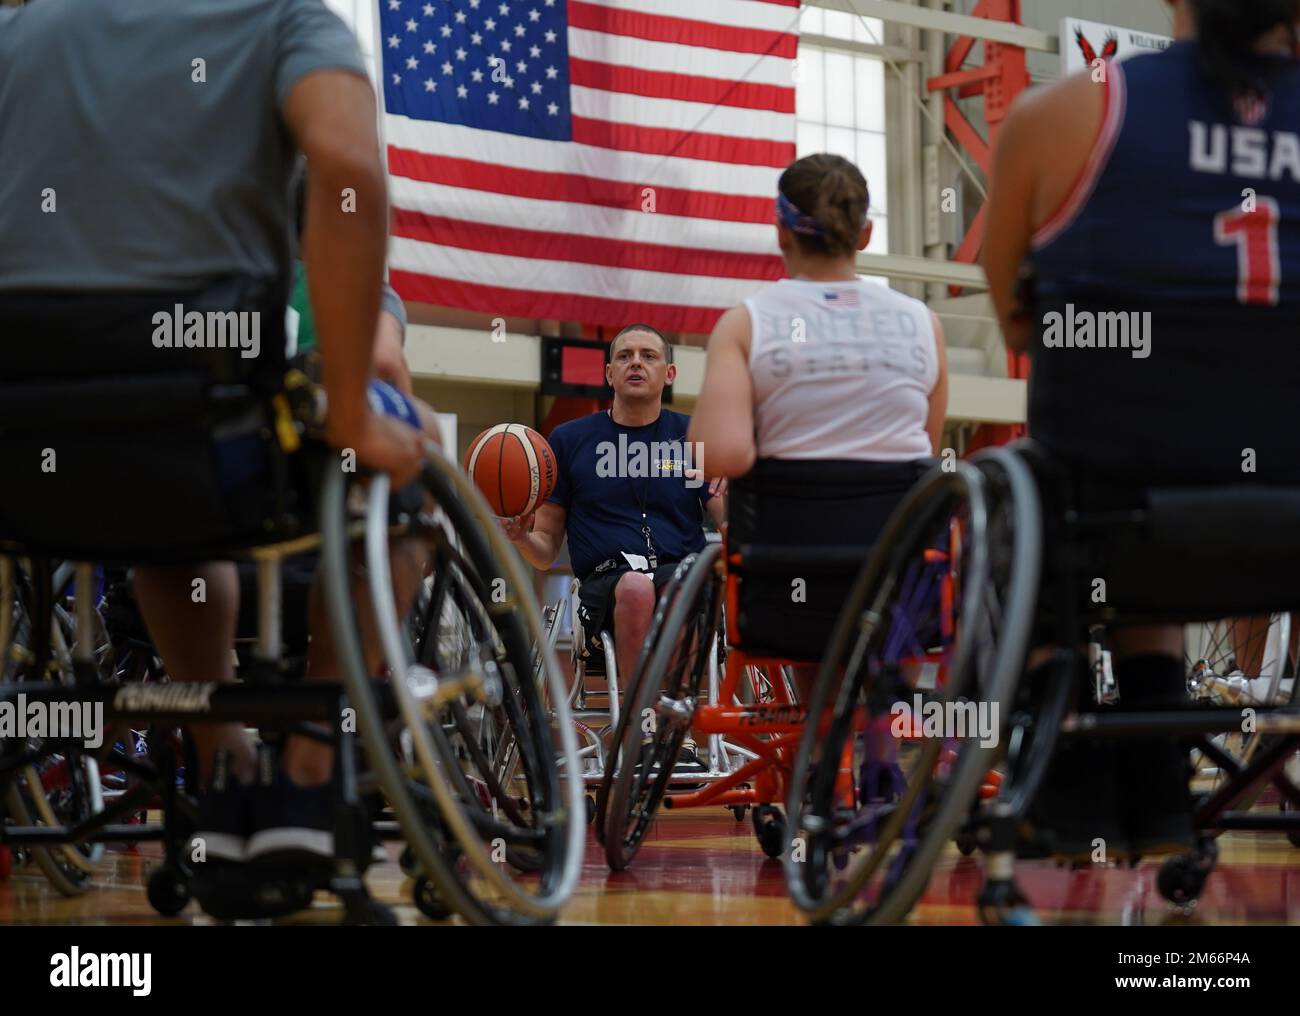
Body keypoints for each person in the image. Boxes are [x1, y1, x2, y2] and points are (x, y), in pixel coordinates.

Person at [0, 0, 422, 888]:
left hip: (27, 456)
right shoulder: (280, 22)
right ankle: (309, 771)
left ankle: (223, 754)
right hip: (201, 433)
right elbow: (347, 167)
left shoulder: (19, 32)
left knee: (163, 518)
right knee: (395, 479)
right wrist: (349, 409)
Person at [982, 0, 1300, 857]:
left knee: (1066, 474)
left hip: (1122, 523)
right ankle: (1158, 769)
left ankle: (1076, 779)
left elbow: (1021, 326)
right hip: (1285, 522)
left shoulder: (1063, 112)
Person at [689, 152, 948, 698]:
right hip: (897, 584)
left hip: (788, 589)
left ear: (781, 232)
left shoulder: (746, 323)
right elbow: (926, 451)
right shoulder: (924, 324)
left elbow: (722, 457)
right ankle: (873, 738)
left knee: (803, 578)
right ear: (866, 233)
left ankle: (819, 751)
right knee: (893, 548)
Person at [503, 325, 725, 765]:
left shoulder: (694, 438)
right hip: (607, 585)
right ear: (608, 373)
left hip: (683, 574)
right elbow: (545, 551)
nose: (636, 363)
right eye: (625, 356)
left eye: (648, 355)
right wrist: (522, 537)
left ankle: (674, 731)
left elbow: (727, 518)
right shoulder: (569, 441)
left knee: (683, 583)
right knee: (637, 587)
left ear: (670, 372)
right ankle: (642, 730)